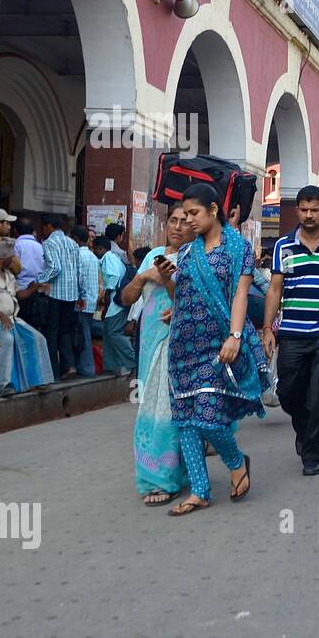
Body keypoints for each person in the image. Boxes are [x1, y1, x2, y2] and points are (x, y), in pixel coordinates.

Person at [163, 183, 270, 517]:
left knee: (208, 417)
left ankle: (237, 463)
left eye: (193, 214)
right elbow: (181, 294)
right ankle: (200, 491)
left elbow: (240, 294)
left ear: (213, 210)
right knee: (185, 420)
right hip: (182, 345)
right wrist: (172, 294)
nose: (187, 221)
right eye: (183, 215)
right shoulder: (187, 252)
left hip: (218, 344)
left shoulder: (237, 248)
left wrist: (235, 336)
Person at [262, 185, 319, 476]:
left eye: (315, 210)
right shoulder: (283, 246)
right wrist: (268, 328)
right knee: (288, 393)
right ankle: (304, 428)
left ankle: (312, 451)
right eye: (304, 209)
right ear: (297, 210)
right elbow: (275, 289)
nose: (309, 215)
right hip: (291, 332)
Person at [124, 204, 190, 506]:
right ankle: (163, 473)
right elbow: (127, 297)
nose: (177, 227)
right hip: (148, 343)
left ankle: (163, 478)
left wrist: (165, 279)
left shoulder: (195, 258)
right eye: (172, 221)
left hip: (178, 343)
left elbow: (193, 301)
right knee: (149, 409)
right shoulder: (152, 257)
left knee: (167, 410)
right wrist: (142, 278)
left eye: (184, 222)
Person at [0, 239, 53, 395]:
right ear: (4, 258)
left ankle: (38, 380)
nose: (15, 261)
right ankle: (5, 384)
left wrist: (35, 286)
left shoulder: (8, 274)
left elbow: (19, 295)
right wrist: (0, 315)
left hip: (11, 319)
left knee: (37, 338)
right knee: (7, 340)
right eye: (12, 258)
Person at [36, 213, 83, 381]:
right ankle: (69, 365)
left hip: (55, 294)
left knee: (51, 331)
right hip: (71, 295)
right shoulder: (72, 243)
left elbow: (54, 268)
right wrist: (81, 293)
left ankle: (53, 372)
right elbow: (79, 271)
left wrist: (38, 281)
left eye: (44, 227)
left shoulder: (49, 243)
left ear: (49, 226)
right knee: (65, 331)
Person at [99, 232, 136, 376]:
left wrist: (107, 296)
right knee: (109, 334)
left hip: (115, 303)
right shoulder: (116, 257)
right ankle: (111, 365)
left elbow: (113, 278)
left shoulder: (108, 257)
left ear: (100, 248)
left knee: (114, 333)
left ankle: (132, 360)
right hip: (117, 302)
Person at [72, 225, 99, 377]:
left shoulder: (78, 256)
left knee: (83, 336)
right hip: (90, 301)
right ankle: (85, 367)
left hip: (81, 302)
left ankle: (87, 368)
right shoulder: (93, 256)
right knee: (84, 334)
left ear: (75, 239)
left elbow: (80, 279)